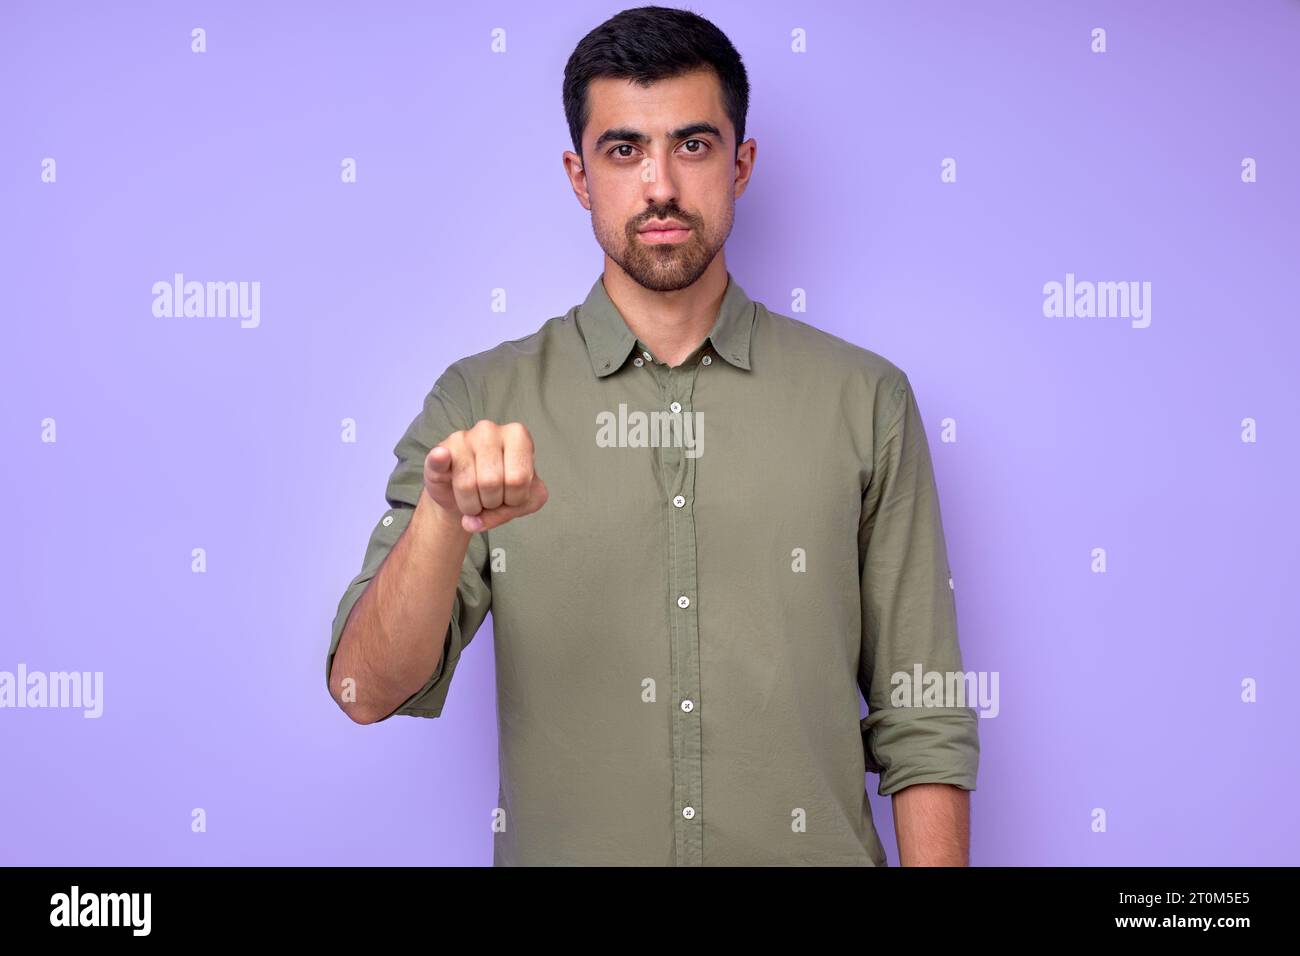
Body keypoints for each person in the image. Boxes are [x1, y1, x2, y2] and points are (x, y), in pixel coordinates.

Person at [326, 4, 978, 866]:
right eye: (624, 149)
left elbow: (921, 716)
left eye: (694, 145)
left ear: (742, 164)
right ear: (578, 174)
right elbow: (364, 690)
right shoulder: (480, 403)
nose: (660, 185)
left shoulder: (865, 400)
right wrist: (442, 517)